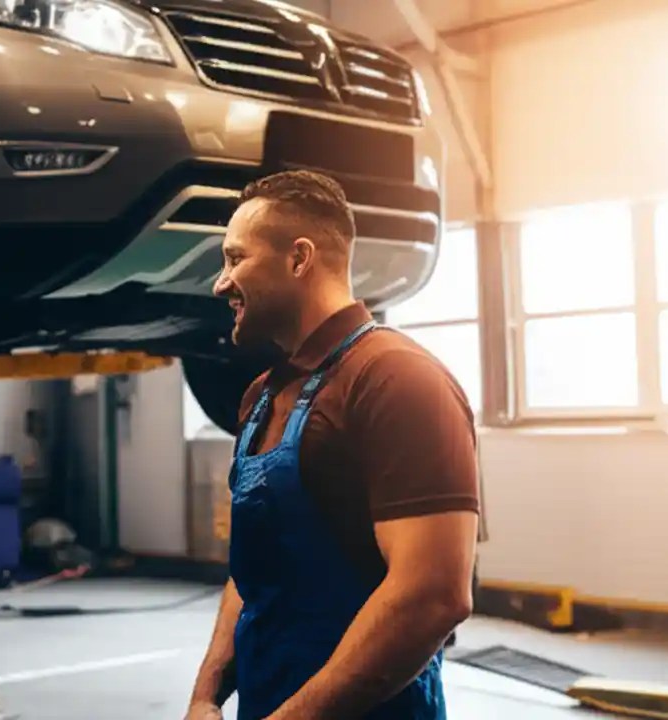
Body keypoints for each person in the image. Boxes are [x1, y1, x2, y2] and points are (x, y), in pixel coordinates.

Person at [185, 171, 480, 720]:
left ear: (299, 259)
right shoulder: (259, 398)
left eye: (234, 259)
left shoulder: (399, 381)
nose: (220, 284)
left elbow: (434, 594)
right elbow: (255, 571)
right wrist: (205, 696)